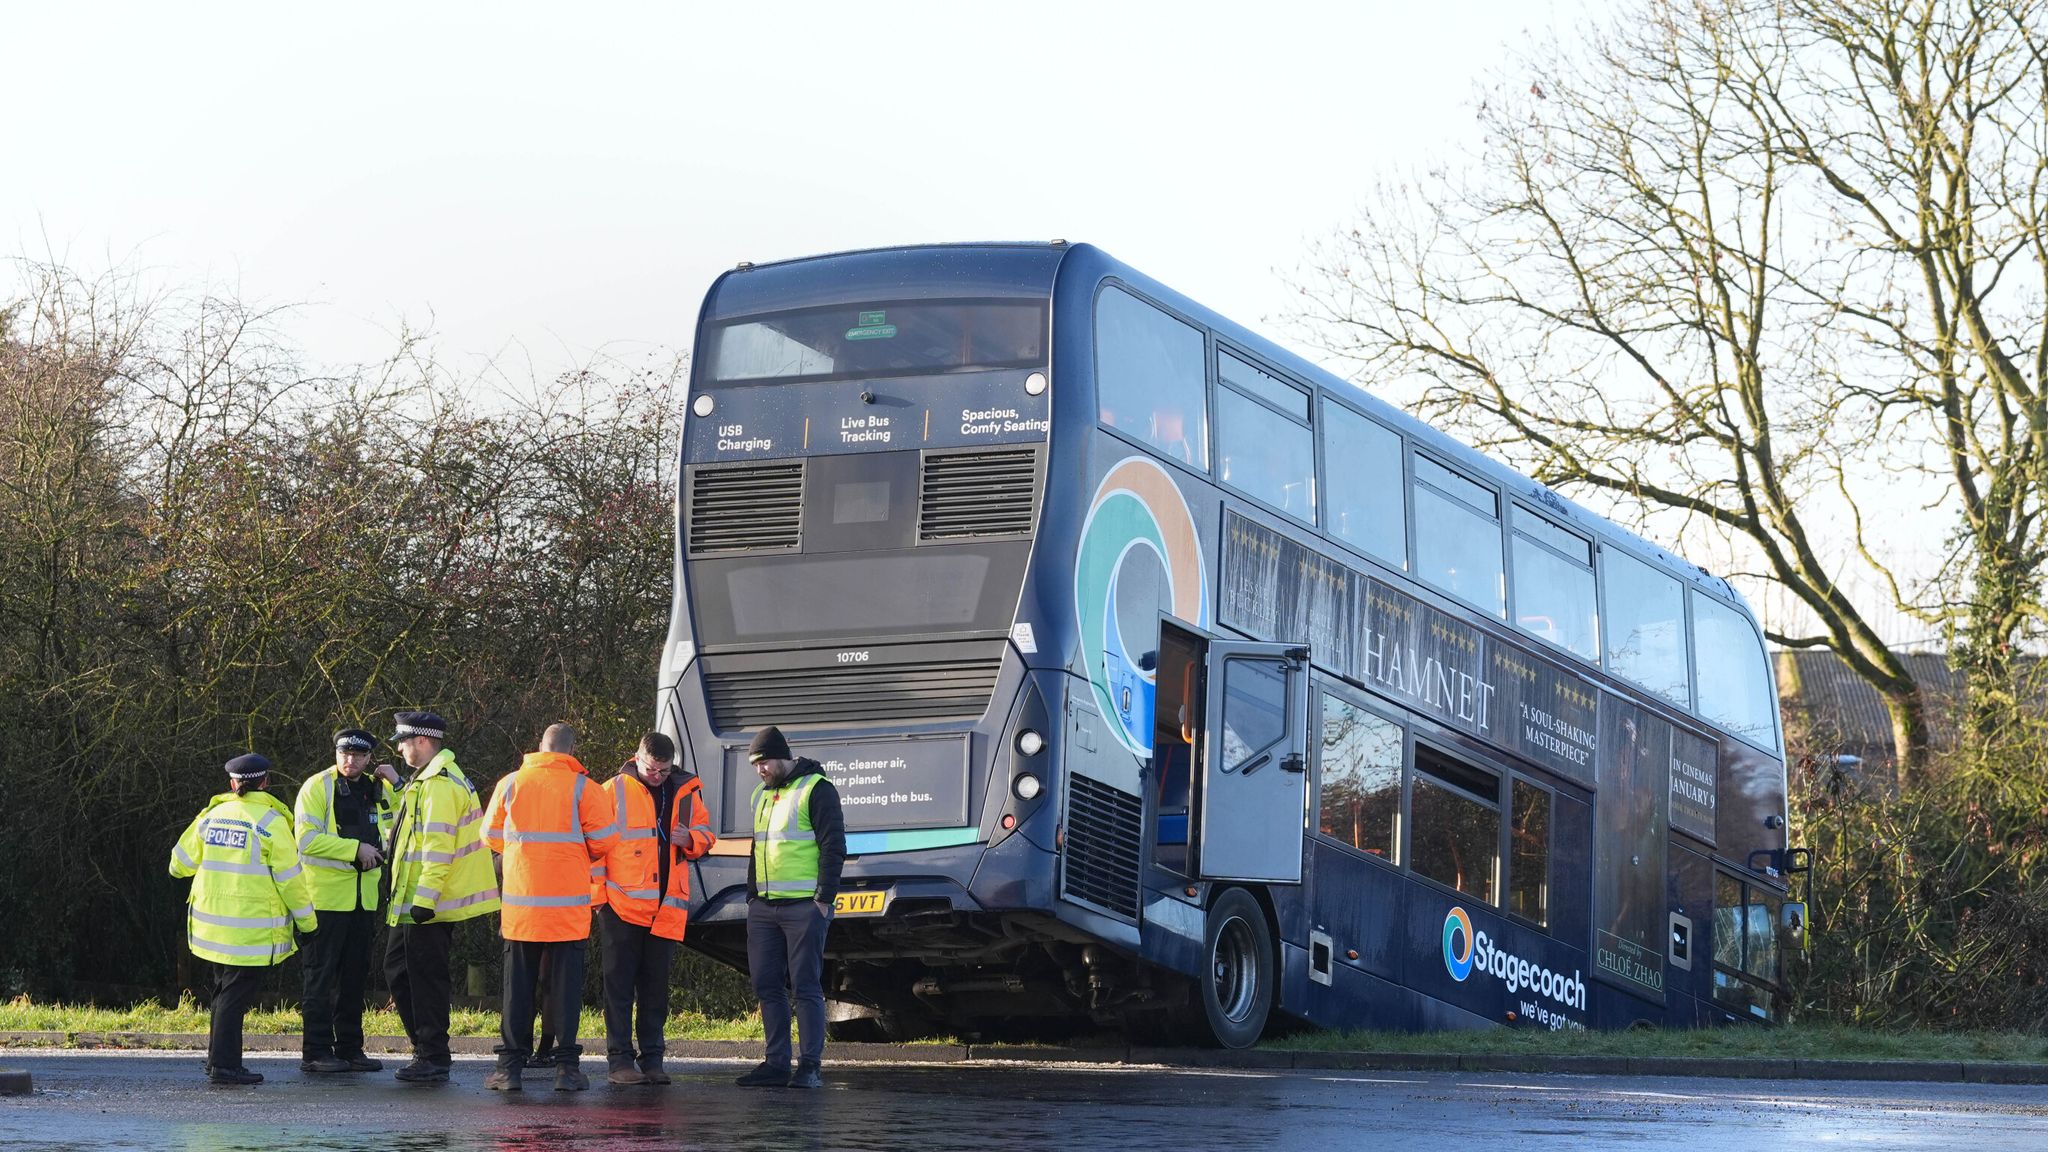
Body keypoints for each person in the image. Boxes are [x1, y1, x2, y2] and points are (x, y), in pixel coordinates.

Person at [482, 723, 619, 1092]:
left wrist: (519, 853)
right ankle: (567, 1071)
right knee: (565, 992)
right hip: (567, 911)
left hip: (521, 909)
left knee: (517, 990)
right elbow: (606, 841)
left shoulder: (510, 784)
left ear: (539, 747)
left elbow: (490, 836)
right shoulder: (584, 788)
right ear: (571, 751)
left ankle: (509, 1070)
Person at [168, 753, 318, 1085]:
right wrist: (308, 924)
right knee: (234, 998)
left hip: (211, 927)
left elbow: (178, 864)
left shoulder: (211, 816)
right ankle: (225, 1067)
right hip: (250, 931)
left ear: (233, 783)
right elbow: (292, 881)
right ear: (265, 783)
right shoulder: (271, 822)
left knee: (224, 993)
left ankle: (216, 1061)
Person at [382, 710, 500, 1083]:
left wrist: (425, 900)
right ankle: (427, 1049)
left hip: (428, 904)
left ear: (421, 741)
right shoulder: (426, 780)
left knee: (424, 979)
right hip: (414, 901)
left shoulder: (440, 785)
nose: (400, 748)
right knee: (399, 971)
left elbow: (437, 848)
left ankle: (432, 1055)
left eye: (403, 741)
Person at [595, 732, 716, 1085]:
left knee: (655, 990)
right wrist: (599, 899)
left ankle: (653, 1061)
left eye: (663, 771)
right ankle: (619, 1062)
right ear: (637, 758)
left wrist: (690, 839)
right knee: (618, 988)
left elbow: (707, 834)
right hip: (620, 906)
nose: (657, 776)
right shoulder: (612, 790)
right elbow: (596, 850)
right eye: (652, 769)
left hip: (666, 908)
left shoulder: (687, 789)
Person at [735, 725, 845, 1090]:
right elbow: (758, 848)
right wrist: (752, 896)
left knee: (805, 986)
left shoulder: (817, 789)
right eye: (755, 765)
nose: (759, 770)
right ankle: (776, 1064)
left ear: (782, 756)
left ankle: (809, 1066)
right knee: (766, 984)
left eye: (763, 762)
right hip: (765, 909)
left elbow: (834, 847)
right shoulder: (762, 795)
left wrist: (822, 900)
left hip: (804, 908)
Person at [294, 728, 400, 1074]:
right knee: (320, 978)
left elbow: (401, 822)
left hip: (363, 899)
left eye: (357, 755)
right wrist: (354, 849)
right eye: (344, 754)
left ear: (370, 757)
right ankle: (316, 1050)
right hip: (325, 898)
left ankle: (351, 1048)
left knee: (354, 980)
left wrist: (397, 785)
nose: (349, 761)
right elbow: (307, 840)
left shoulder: (376, 787)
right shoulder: (317, 786)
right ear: (336, 752)